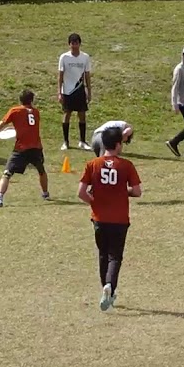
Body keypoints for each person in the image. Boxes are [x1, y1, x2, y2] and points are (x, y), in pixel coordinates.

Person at [79, 125, 143, 311]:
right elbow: (137, 192)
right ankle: (110, 286)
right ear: (117, 144)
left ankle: (104, 288)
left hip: (99, 218)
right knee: (115, 256)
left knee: (102, 254)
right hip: (120, 219)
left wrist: (93, 202)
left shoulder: (93, 164)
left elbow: (81, 192)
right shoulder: (126, 165)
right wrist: (124, 191)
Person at [0, 90, 51, 208]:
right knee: (41, 171)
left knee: (7, 173)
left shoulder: (15, 111)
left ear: (20, 100)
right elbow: (27, 125)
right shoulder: (36, 112)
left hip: (21, 148)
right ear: (32, 100)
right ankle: (45, 194)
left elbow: (1, 124)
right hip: (36, 147)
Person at [57, 33, 92, 151]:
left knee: (82, 115)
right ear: (69, 44)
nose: (74, 45)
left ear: (79, 44)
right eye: (72, 43)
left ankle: (82, 141)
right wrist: (59, 92)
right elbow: (60, 75)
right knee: (67, 114)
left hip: (80, 89)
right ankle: (65, 142)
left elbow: (87, 74)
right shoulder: (64, 57)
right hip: (67, 90)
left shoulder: (85, 57)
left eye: (76, 43)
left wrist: (89, 90)